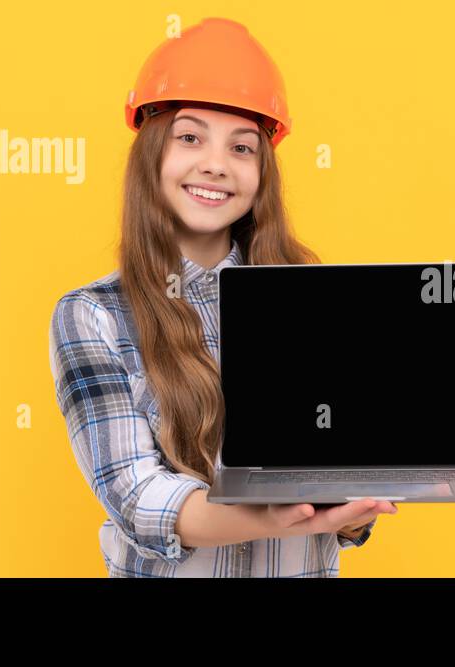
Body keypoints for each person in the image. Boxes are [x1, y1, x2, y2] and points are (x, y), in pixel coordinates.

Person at [48, 17, 396, 577]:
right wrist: (280, 515)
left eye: (242, 147)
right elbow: (137, 498)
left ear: (263, 172)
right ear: (152, 153)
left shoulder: (312, 299)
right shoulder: (94, 316)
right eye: (191, 137)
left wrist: (353, 505)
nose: (216, 163)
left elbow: (342, 479)